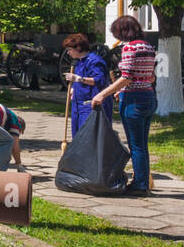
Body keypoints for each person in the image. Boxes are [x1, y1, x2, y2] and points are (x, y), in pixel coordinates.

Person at [91, 15, 156, 196]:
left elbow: (126, 77)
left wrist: (102, 94)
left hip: (134, 100)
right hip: (148, 96)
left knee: (136, 145)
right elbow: (150, 76)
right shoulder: (148, 46)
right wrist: (123, 89)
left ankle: (140, 185)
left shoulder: (129, 48)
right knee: (142, 144)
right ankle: (142, 180)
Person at [63, 33, 112, 137]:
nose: (68, 53)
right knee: (78, 135)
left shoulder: (94, 61)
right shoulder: (79, 62)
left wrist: (78, 79)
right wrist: (74, 88)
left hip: (90, 105)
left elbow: (99, 80)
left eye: (70, 49)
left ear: (79, 47)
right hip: (78, 105)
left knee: (89, 136)